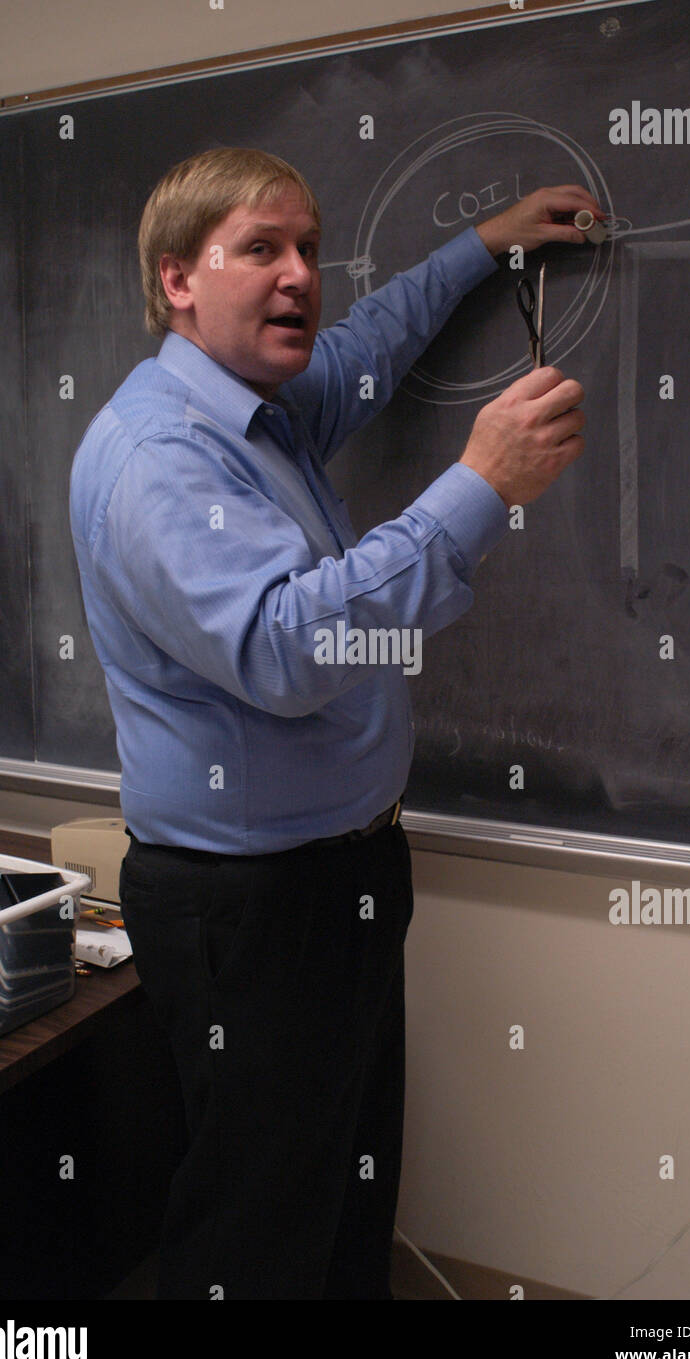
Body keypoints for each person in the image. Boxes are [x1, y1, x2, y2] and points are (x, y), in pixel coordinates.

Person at [69, 145, 595, 1300]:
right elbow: (289, 648)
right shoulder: (160, 456)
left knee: (344, 1199)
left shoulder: (259, 407)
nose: (300, 273)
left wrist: (488, 241)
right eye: (260, 248)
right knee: (258, 1235)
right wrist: (480, 483)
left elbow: (372, 346)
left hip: (335, 880)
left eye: (308, 247)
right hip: (251, 910)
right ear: (178, 279)